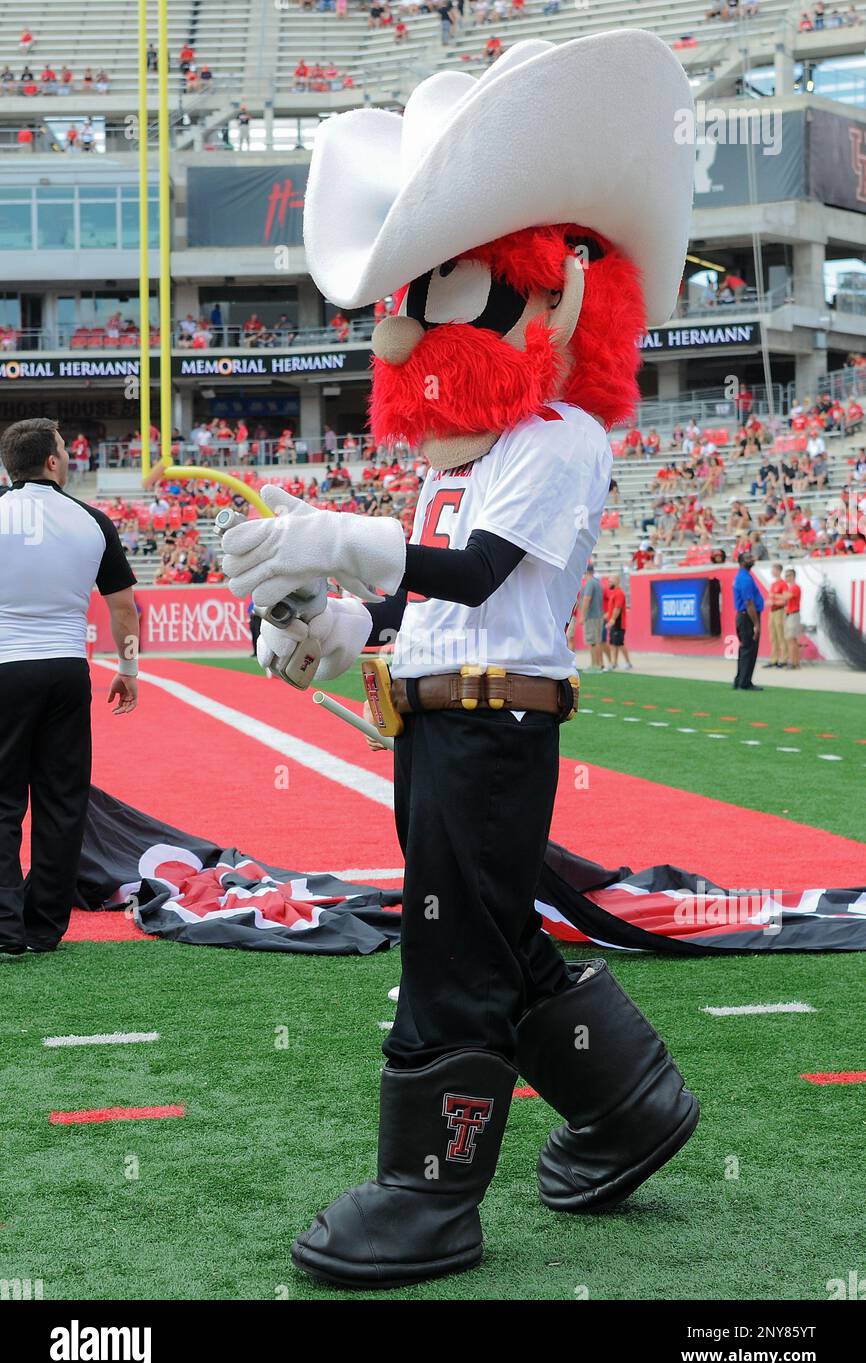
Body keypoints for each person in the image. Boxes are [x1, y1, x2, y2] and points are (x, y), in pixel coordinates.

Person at [221, 31, 698, 1291]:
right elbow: (425, 613)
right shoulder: (470, 461)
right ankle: (630, 1101)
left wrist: (331, 536)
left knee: (447, 948)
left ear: (555, 299)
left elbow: (480, 577)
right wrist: (324, 628)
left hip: (497, 730)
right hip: (446, 721)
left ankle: (428, 1195)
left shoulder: (554, 438)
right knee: (490, 933)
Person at [0, 419, 139, 956]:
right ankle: (43, 927)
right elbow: (123, 608)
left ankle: (5, 926)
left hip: (6, 666)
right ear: (53, 463)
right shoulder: (92, 519)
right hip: (64, 667)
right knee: (62, 801)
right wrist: (128, 671)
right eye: (63, 448)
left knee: (3, 800)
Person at [732, 550, 764, 690]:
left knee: (745, 649)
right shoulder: (745, 578)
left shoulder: (742, 577)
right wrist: (756, 624)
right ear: (742, 562)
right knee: (749, 650)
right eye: (748, 558)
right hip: (747, 617)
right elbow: (749, 602)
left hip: (744, 616)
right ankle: (744, 683)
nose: (752, 559)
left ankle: (740, 680)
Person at [580, 561, 604, 668]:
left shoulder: (590, 583)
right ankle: (599, 664)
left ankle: (595, 664)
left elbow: (586, 599)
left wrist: (583, 616)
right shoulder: (597, 582)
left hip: (591, 616)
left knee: (593, 642)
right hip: (598, 615)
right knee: (597, 641)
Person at [606, 572, 633, 669]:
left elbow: (617, 608)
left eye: (610, 581)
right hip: (615, 622)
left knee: (620, 643)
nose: (608, 583)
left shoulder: (619, 593)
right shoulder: (614, 593)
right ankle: (614, 663)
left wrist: (612, 620)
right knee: (614, 644)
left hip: (618, 623)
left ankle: (628, 662)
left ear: (616, 581)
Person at [765, 561, 788, 668]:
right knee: (773, 636)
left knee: (781, 635)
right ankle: (774, 659)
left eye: (773, 570)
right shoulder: (773, 584)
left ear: (778, 571)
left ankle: (784, 659)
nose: (772, 572)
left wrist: (773, 600)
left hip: (779, 611)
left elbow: (784, 600)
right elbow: (771, 598)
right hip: (772, 611)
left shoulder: (783, 584)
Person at [784, 566, 802, 669]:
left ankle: (792, 661)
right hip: (791, 614)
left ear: (792, 576)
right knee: (793, 640)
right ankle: (795, 662)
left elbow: (786, 597)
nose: (786, 578)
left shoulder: (795, 587)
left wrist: (774, 595)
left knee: (791, 639)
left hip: (793, 614)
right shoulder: (791, 588)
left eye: (787, 576)